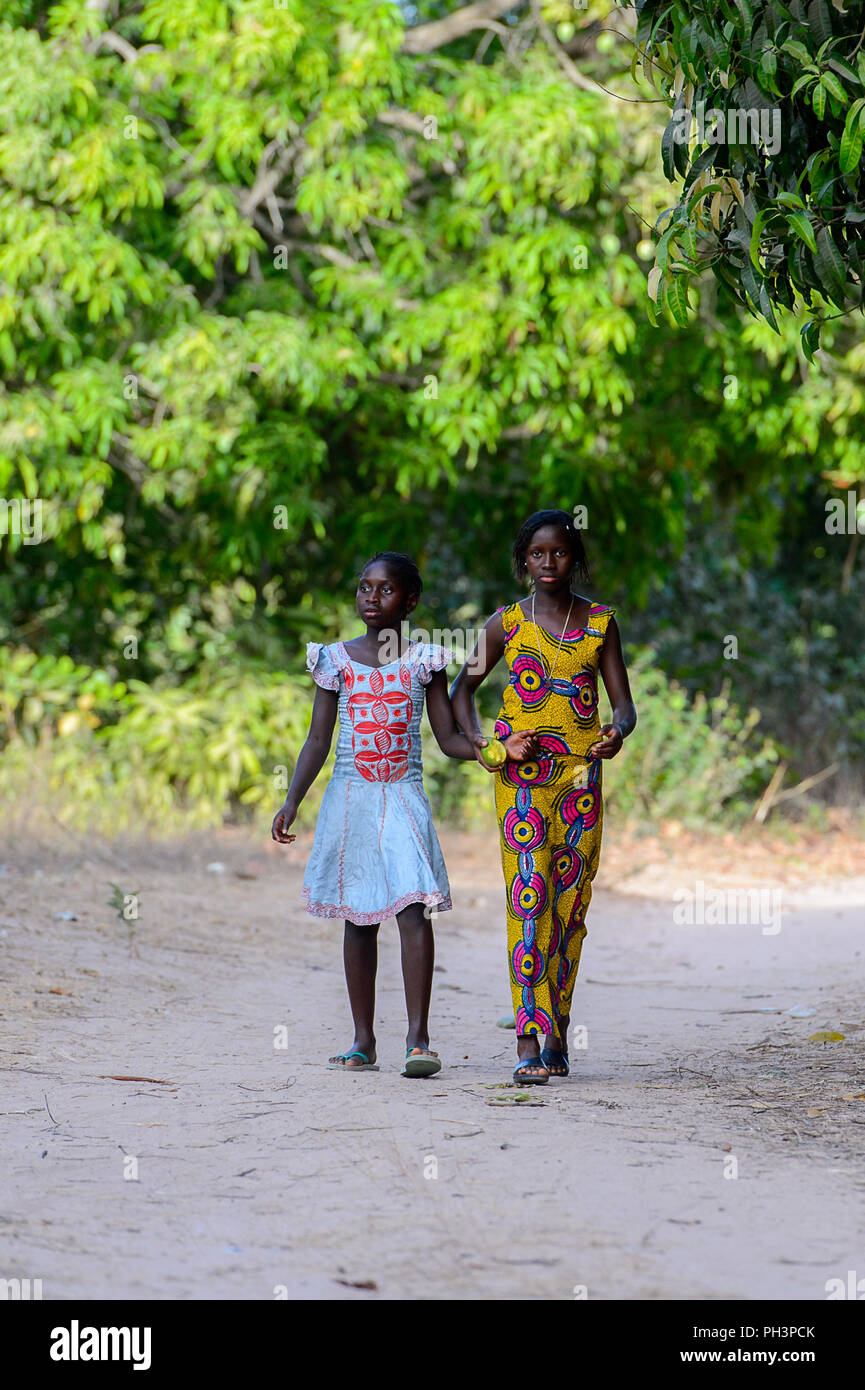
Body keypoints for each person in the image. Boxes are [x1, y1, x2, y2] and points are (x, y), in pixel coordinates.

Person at [271, 550, 535, 1078]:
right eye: (365, 587)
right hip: (351, 801)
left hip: (403, 798)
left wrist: (493, 749)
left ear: (410, 601)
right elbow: (318, 739)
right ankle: (362, 1040)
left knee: (414, 911)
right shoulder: (334, 660)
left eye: (386, 589)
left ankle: (418, 1041)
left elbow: (447, 739)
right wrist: (292, 799)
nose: (372, 598)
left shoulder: (424, 662)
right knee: (358, 917)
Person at [451, 510, 636, 1084]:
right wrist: (488, 743)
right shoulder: (505, 624)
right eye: (536, 553)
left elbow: (624, 706)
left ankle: (558, 1029)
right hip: (521, 783)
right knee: (528, 900)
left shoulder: (601, 623)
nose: (548, 562)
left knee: (570, 906)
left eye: (559, 552)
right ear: (523, 560)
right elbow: (461, 691)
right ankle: (527, 1041)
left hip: (581, 783)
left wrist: (616, 732)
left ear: (574, 558)